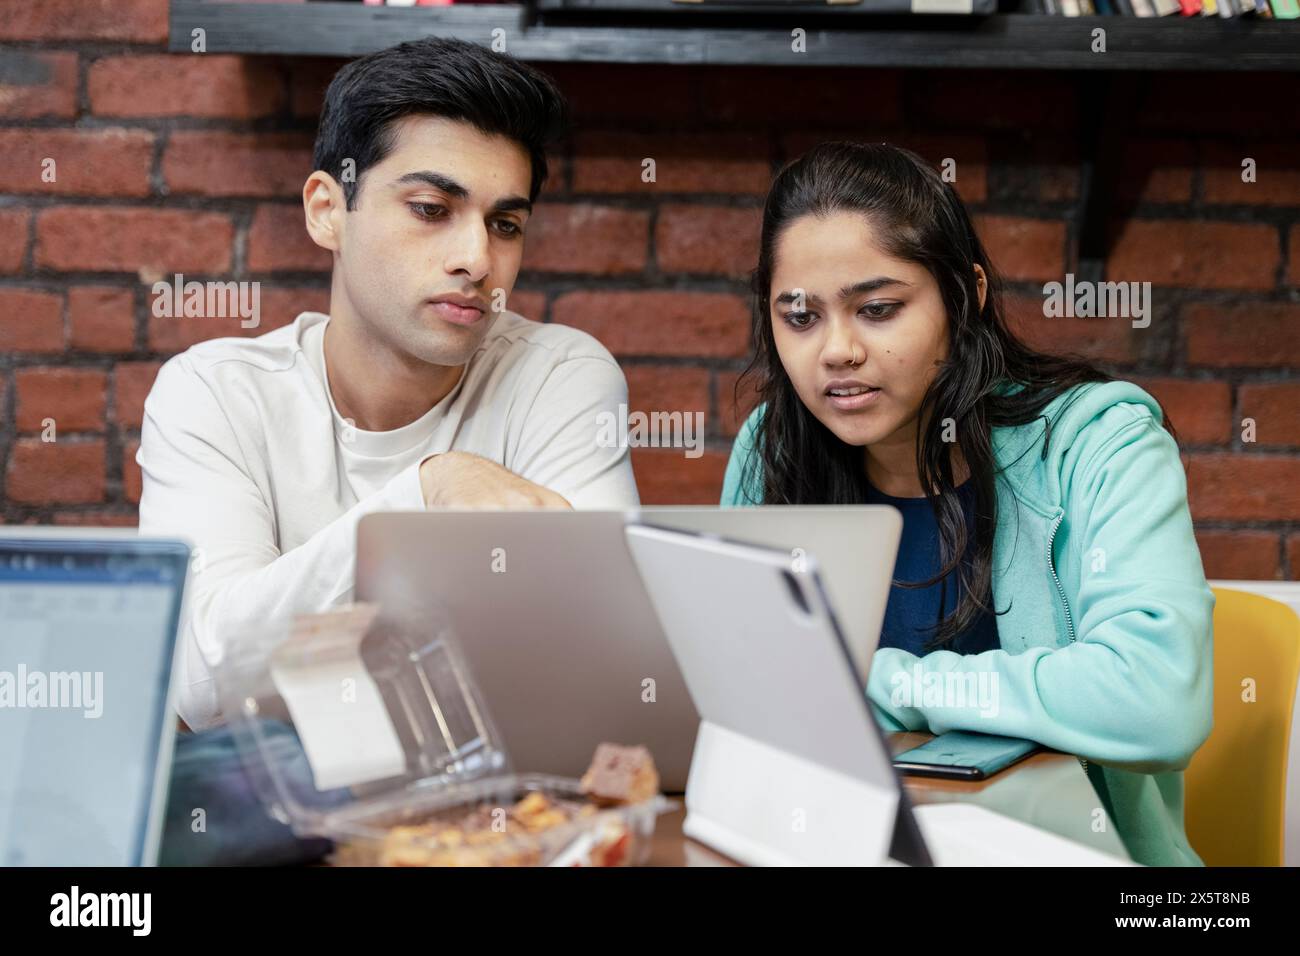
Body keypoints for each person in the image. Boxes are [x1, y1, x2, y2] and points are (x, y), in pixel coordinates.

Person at [721, 141, 1214, 867]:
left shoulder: (1096, 441)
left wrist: (877, 682)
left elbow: (1157, 699)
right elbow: (732, 686)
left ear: (967, 295)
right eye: (799, 317)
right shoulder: (774, 444)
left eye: (879, 309)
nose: (837, 350)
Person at [138, 38, 638, 732]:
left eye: (506, 224)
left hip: (493, 830)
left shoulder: (558, 378)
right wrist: (430, 490)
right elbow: (203, 682)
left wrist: (297, 646)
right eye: (432, 208)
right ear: (326, 210)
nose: (476, 259)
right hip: (279, 829)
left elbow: (595, 661)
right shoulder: (212, 395)